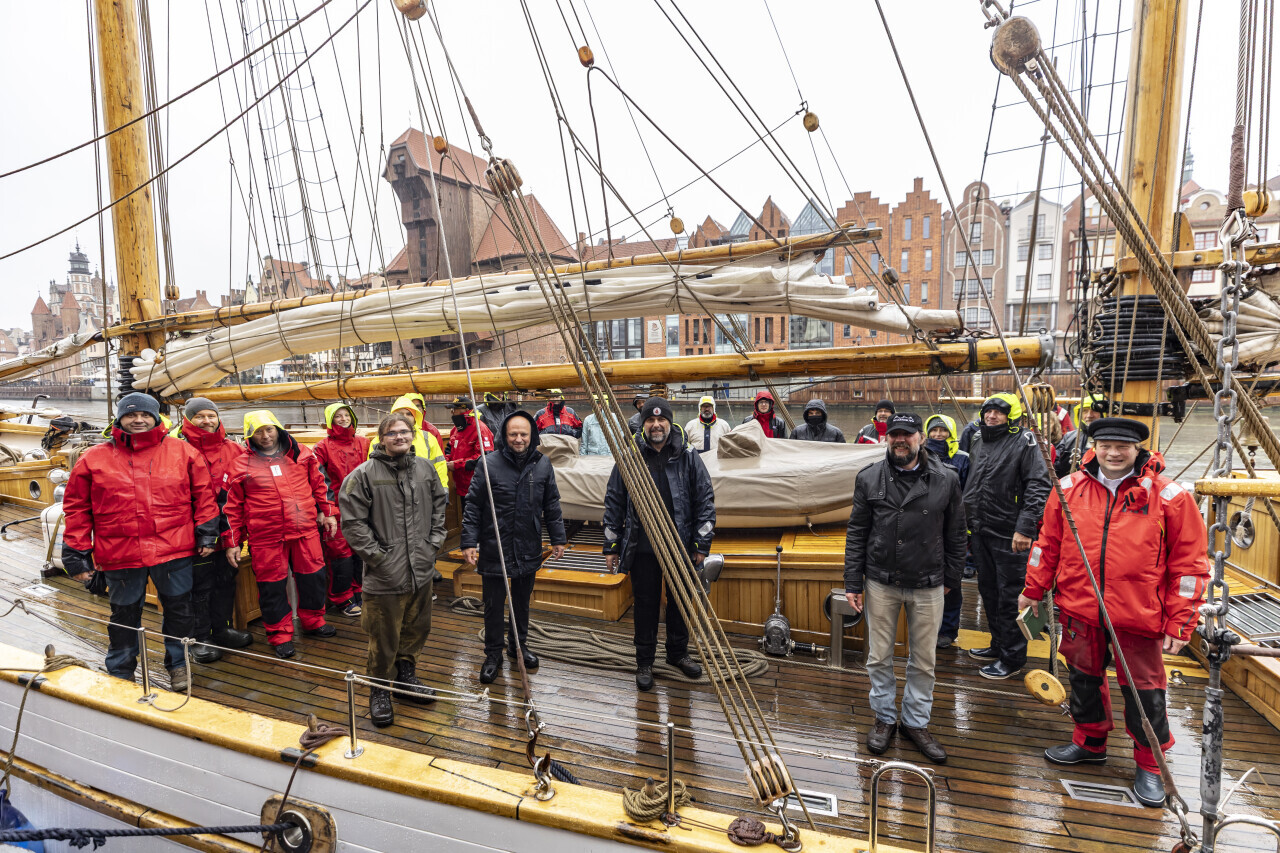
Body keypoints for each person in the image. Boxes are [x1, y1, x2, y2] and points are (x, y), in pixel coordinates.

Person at [1020, 417, 1208, 808]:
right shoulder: (1068, 488)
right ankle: (1089, 742)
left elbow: (1189, 565)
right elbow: (1047, 543)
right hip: (1079, 607)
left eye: (1123, 446)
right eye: (1105, 444)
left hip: (1138, 614)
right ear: (1094, 447)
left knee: (1145, 693)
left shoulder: (1171, 497)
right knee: (1083, 680)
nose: (1113, 452)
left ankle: (1150, 765)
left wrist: (1181, 620)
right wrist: (1033, 589)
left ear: (1139, 449)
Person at [62, 393, 219, 691]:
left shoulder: (183, 452)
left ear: (156, 418)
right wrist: (76, 555)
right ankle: (121, 670)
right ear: (119, 418)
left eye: (146, 415)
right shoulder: (93, 458)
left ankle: (178, 664)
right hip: (121, 552)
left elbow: (204, 497)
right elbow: (77, 509)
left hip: (173, 548)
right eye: (131, 415)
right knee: (124, 614)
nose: (139, 420)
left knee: (180, 611)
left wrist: (207, 533)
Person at [844, 412, 965, 763]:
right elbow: (857, 532)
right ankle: (884, 718)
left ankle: (915, 722)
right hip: (881, 581)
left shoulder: (947, 479)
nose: (900, 440)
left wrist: (952, 580)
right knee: (878, 656)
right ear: (887, 438)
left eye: (907, 435)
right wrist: (853, 581)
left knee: (924, 660)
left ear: (921, 438)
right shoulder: (868, 478)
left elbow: (957, 534)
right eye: (894, 434)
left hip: (929, 582)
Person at [340, 414, 449, 727]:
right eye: (393, 433)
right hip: (385, 576)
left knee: (416, 628)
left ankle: (405, 678)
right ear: (382, 438)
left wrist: (434, 543)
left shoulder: (425, 470)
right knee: (383, 636)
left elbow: (440, 505)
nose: (400, 437)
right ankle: (379, 690)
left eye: (405, 432)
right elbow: (353, 523)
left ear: (412, 435)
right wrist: (380, 559)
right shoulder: (362, 476)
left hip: (421, 570)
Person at [604, 397, 713, 690]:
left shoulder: (688, 456)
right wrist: (611, 547)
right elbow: (614, 501)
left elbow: (705, 501)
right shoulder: (630, 458)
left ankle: (678, 654)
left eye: (661, 420)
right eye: (650, 421)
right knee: (646, 605)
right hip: (643, 547)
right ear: (643, 425)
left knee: (680, 602)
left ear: (669, 422)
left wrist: (701, 544)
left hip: (680, 544)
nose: (655, 425)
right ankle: (645, 661)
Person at [461, 410, 567, 683]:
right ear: (504, 436)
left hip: (527, 544)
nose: (518, 439)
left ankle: (518, 646)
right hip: (495, 544)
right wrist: (468, 541)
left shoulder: (542, 464)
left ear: (532, 436)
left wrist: (558, 538)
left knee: (521, 603)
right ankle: (493, 654)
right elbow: (473, 505)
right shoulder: (488, 464)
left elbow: (552, 504)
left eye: (523, 434)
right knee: (494, 604)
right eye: (513, 434)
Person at [224, 410, 338, 659]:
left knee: (313, 578)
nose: (265, 436)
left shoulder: (302, 454)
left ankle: (313, 621)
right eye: (258, 431)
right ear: (248, 435)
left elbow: (320, 485)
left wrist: (328, 513)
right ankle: (279, 634)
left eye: (269, 429)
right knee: (271, 587)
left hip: (305, 529)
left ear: (278, 429)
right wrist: (233, 542)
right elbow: (232, 507)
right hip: (265, 536)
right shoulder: (240, 464)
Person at [963, 393, 1050, 680]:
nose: (991, 416)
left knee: (1012, 595)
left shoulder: (1025, 441)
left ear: (1011, 416)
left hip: (1011, 533)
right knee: (989, 591)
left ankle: (1012, 657)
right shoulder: (977, 439)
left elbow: (1038, 484)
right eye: (988, 411)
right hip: (981, 529)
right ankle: (998, 644)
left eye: (999, 412)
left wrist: (1025, 527)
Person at [173, 397, 252, 663]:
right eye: (200, 416)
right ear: (188, 419)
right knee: (198, 587)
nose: (206, 421)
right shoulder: (176, 448)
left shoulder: (234, 449)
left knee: (224, 582)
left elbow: (244, 490)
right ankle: (199, 638)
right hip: (192, 533)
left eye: (211, 415)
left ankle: (221, 628)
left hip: (228, 530)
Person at [313, 403, 370, 618]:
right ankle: (342, 597)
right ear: (330, 420)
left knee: (361, 550)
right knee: (340, 555)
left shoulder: (364, 443)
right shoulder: (322, 447)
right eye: (338, 416)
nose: (343, 419)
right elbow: (319, 480)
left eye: (347, 415)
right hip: (336, 507)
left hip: (362, 506)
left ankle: (359, 589)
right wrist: (324, 509)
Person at [923, 413, 970, 649]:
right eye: (934, 431)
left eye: (943, 431)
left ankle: (948, 630)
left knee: (952, 582)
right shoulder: (920, 457)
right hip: (927, 525)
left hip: (951, 524)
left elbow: (968, 491)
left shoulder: (962, 459)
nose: (938, 434)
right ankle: (926, 628)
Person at [382, 393, 448, 491]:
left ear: (415, 417)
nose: (405, 417)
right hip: (391, 492)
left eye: (409, 414)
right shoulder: (379, 440)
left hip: (423, 490)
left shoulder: (428, 438)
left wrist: (443, 489)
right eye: (400, 414)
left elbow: (439, 466)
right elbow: (374, 470)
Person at [445, 396, 495, 518]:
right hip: (462, 486)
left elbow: (484, 457)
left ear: (464, 410)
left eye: (454, 410)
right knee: (467, 518)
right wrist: (445, 461)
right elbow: (449, 448)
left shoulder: (480, 429)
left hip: (477, 486)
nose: (452, 413)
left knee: (478, 519)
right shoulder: (456, 430)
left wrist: (456, 465)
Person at [1055, 393, 1107, 477]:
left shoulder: (1112, 440)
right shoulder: (1069, 437)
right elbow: (1055, 466)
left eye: (1094, 410)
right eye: (1085, 411)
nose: (1089, 415)